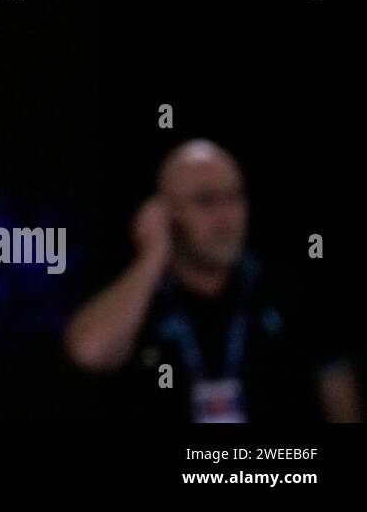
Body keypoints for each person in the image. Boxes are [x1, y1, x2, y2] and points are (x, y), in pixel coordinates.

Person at [64, 139, 362, 422]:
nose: (225, 217)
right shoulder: (136, 294)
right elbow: (90, 353)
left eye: (234, 197)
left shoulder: (286, 290)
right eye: (205, 201)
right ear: (165, 213)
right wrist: (153, 255)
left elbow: (341, 401)